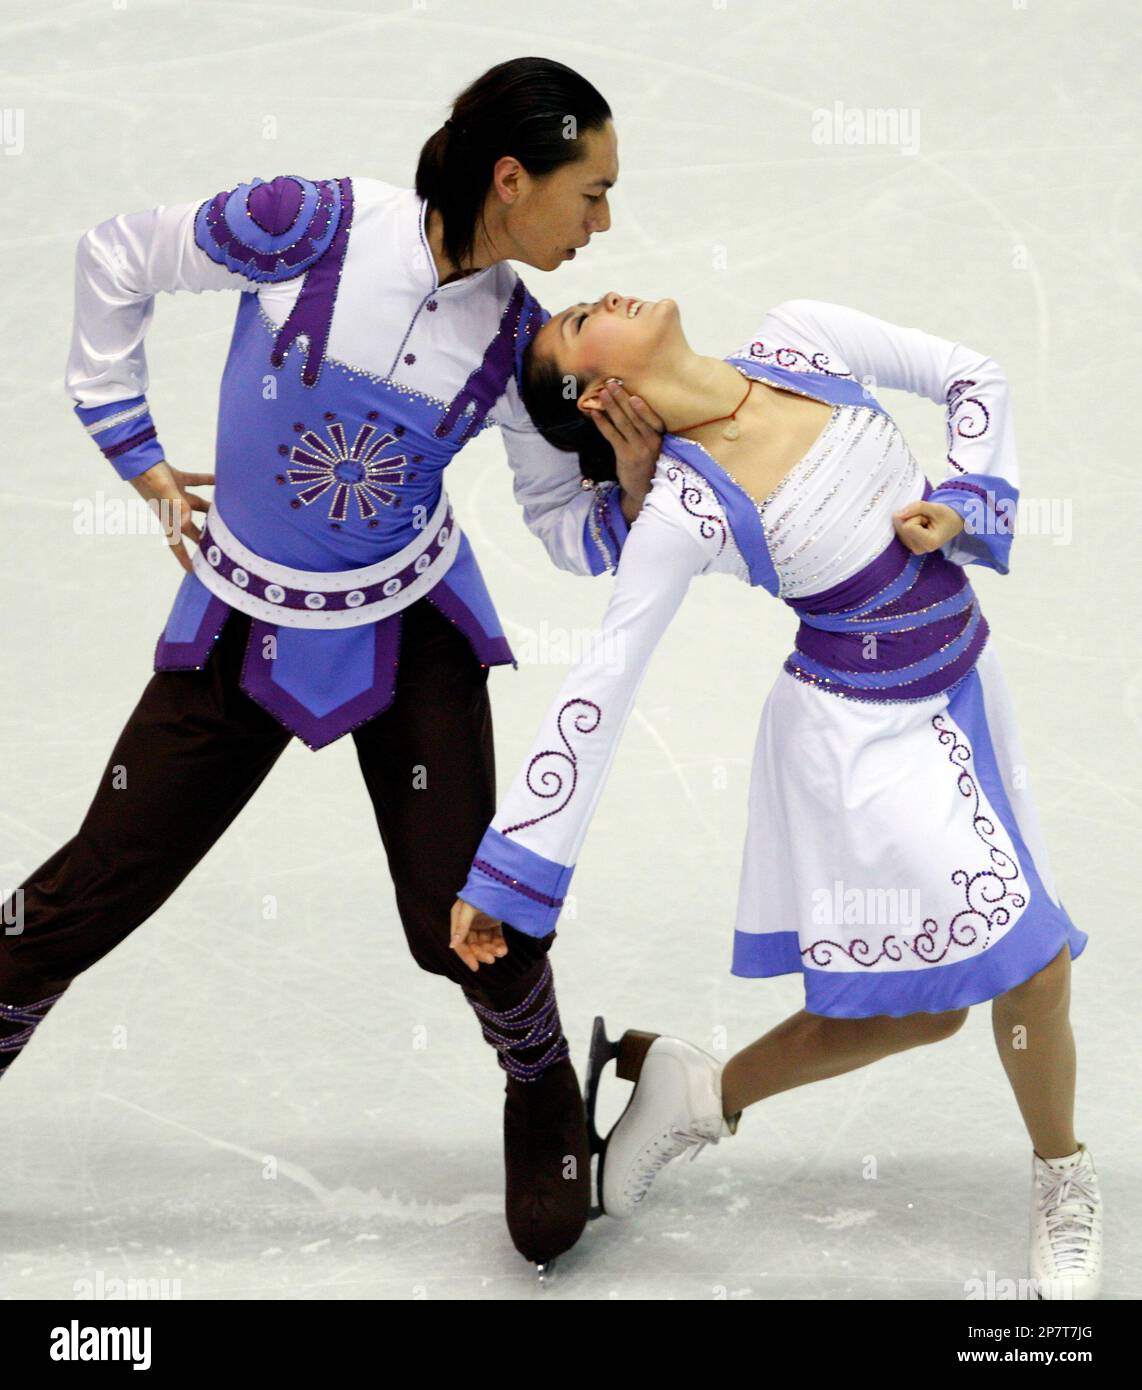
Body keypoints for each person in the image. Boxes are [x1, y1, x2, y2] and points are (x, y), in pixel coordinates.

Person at [0, 58, 668, 1274]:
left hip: (408, 629)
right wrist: (131, 443)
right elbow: (115, 253)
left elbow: (565, 532)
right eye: (592, 192)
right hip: (241, 620)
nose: (602, 225)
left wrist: (623, 480)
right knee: (92, 886)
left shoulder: (522, 341)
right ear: (510, 181)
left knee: (460, 922)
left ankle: (544, 1084)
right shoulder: (303, 225)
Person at [450, 292, 1102, 1297]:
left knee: (924, 1008)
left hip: (967, 689)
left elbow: (972, 372)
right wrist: (511, 873)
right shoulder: (683, 508)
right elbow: (602, 683)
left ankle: (697, 1090)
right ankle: (1061, 1171)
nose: (598, 296)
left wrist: (965, 500)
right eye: (579, 326)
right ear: (602, 395)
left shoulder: (799, 337)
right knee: (1031, 962)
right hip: (859, 743)